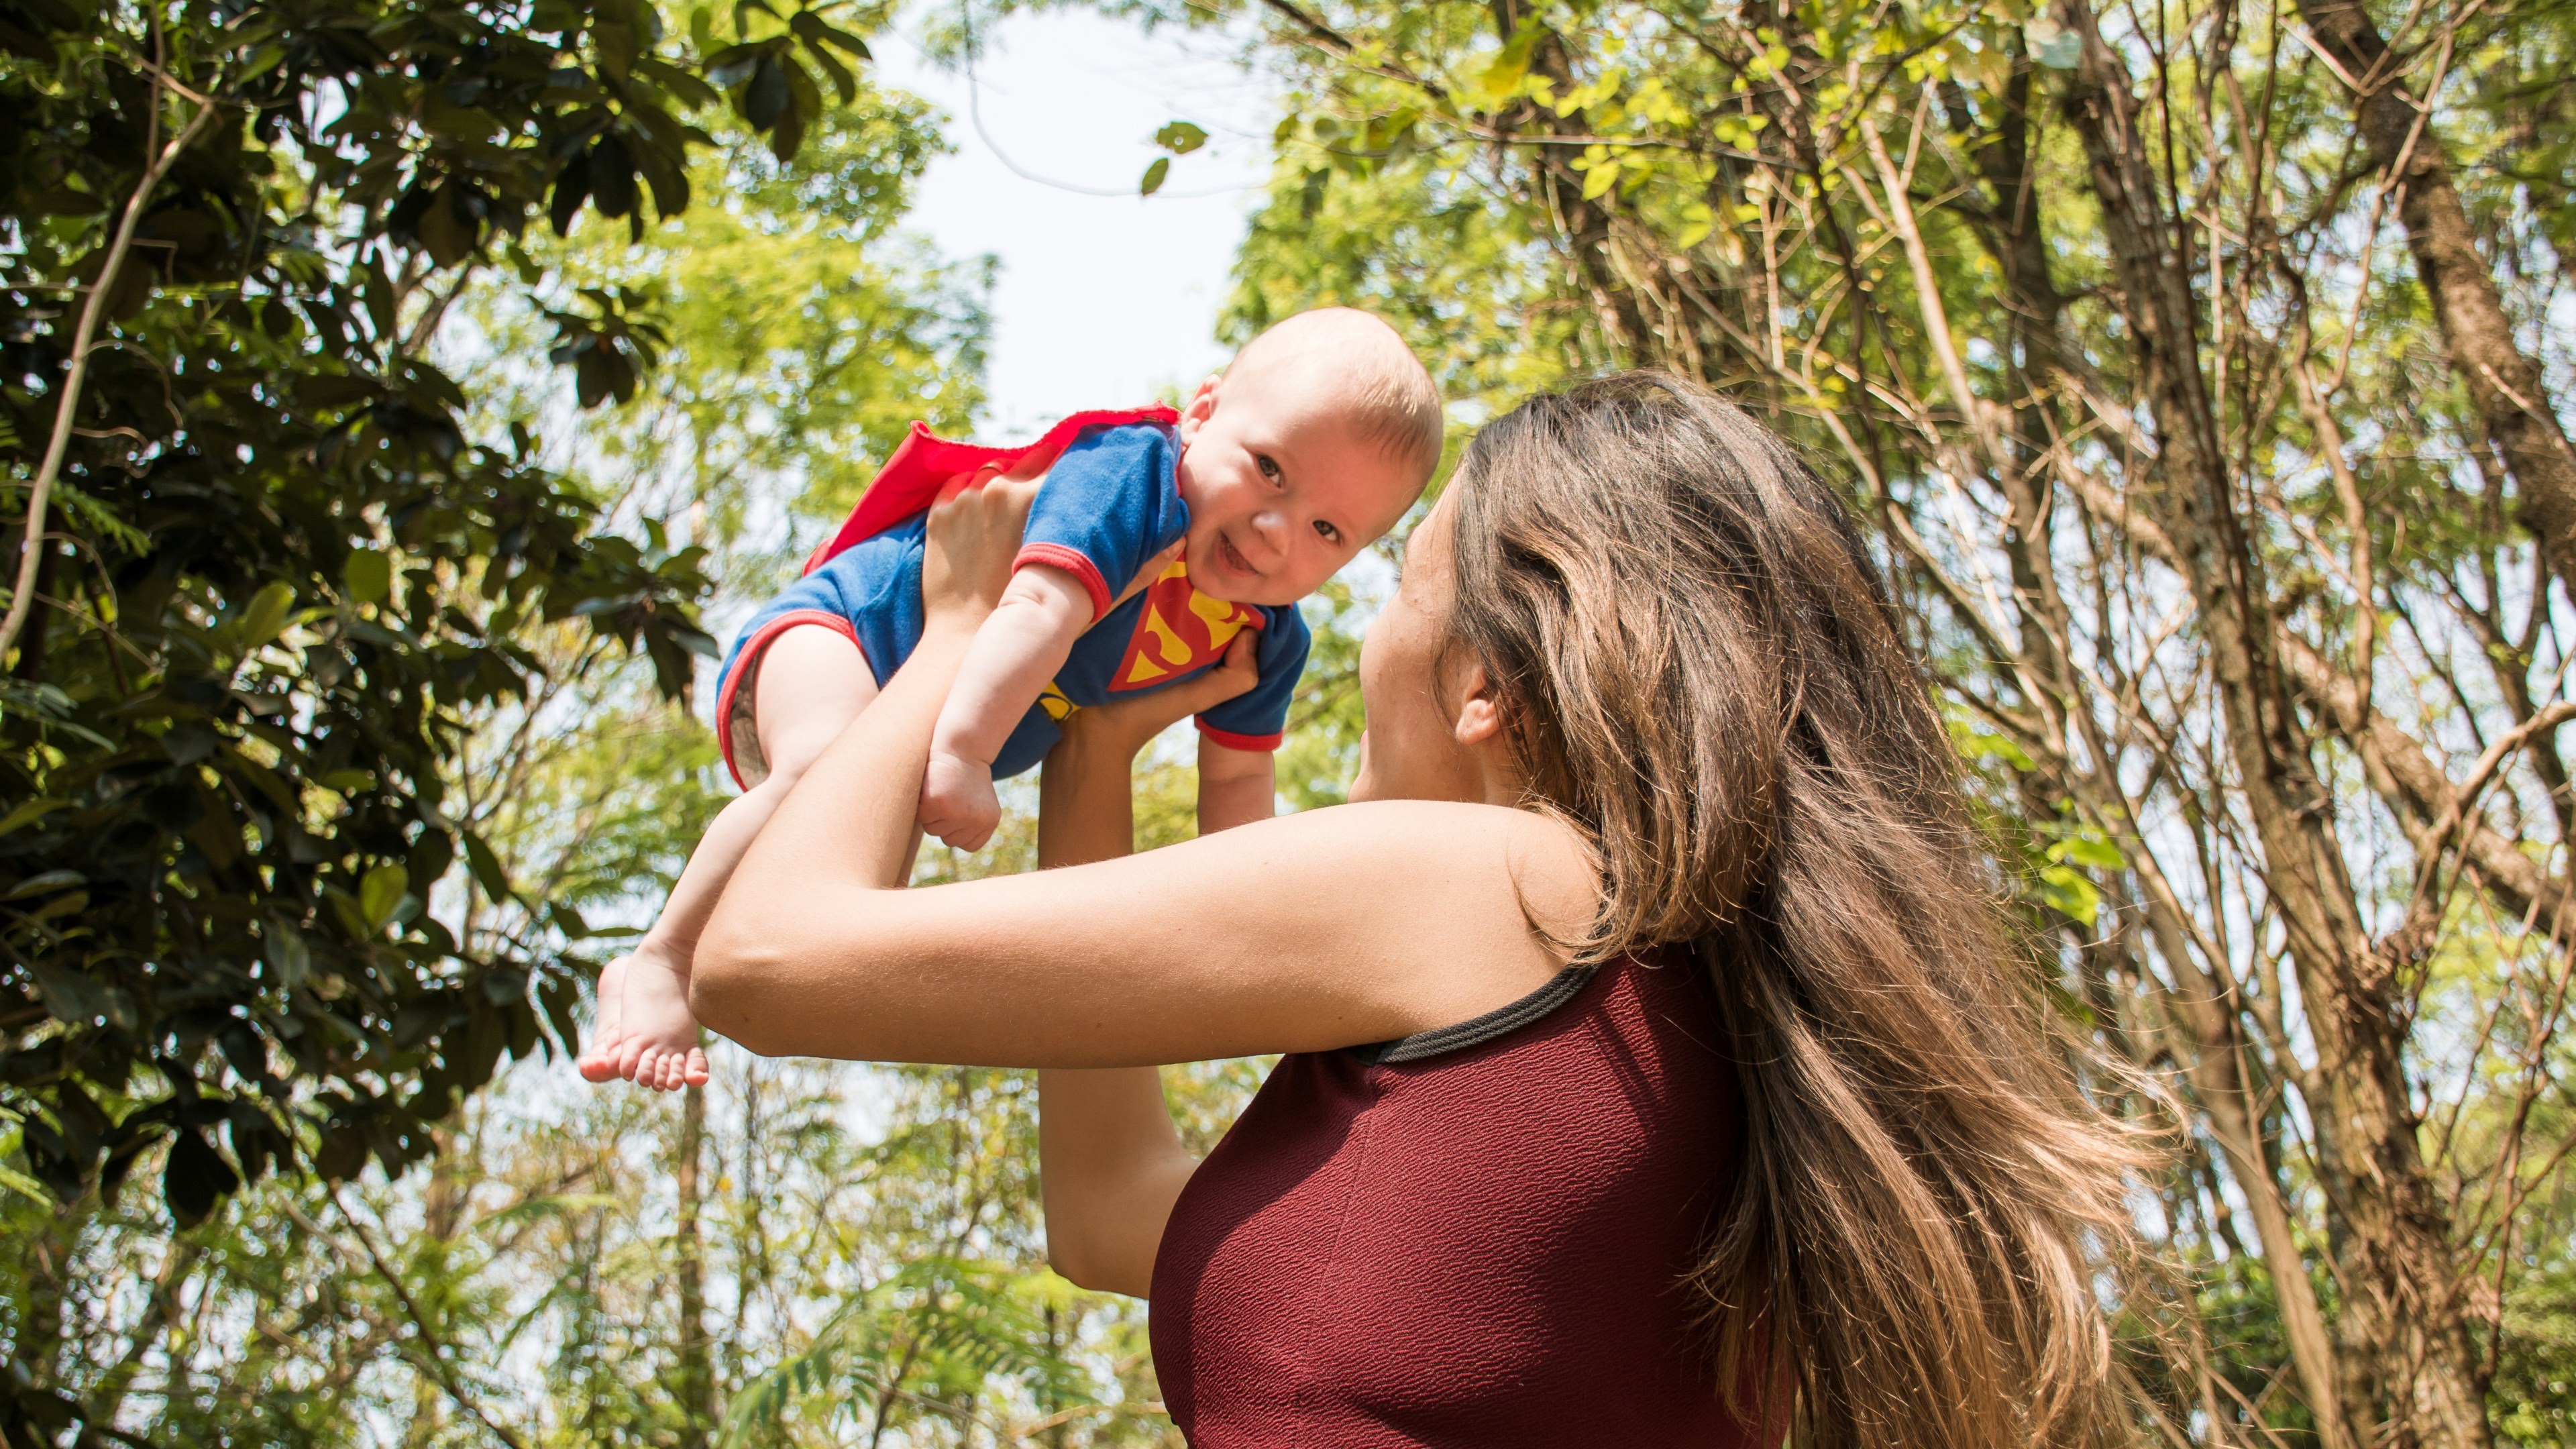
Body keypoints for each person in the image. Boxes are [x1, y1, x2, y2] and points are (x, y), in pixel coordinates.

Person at [685, 373, 2141, 1448]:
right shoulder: (1699, 1032)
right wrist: (1099, 748)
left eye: (1393, 589)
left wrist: (954, 630)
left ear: (1487, 682)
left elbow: (764, 962)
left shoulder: (1497, 883)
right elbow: (1112, 1215)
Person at [581, 307, 1442, 1090]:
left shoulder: (1264, 638)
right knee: (819, 768)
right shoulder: (1133, 480)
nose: (1275, 531)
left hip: (925, 717)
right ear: (1203, 413)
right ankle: (661, 958)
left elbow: (1238, 793)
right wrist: (963, 752)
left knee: (854, 887)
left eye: (1328, 530)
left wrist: (1263, 933)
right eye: (1269, 471)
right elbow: (1036, 607)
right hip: (852, 630)